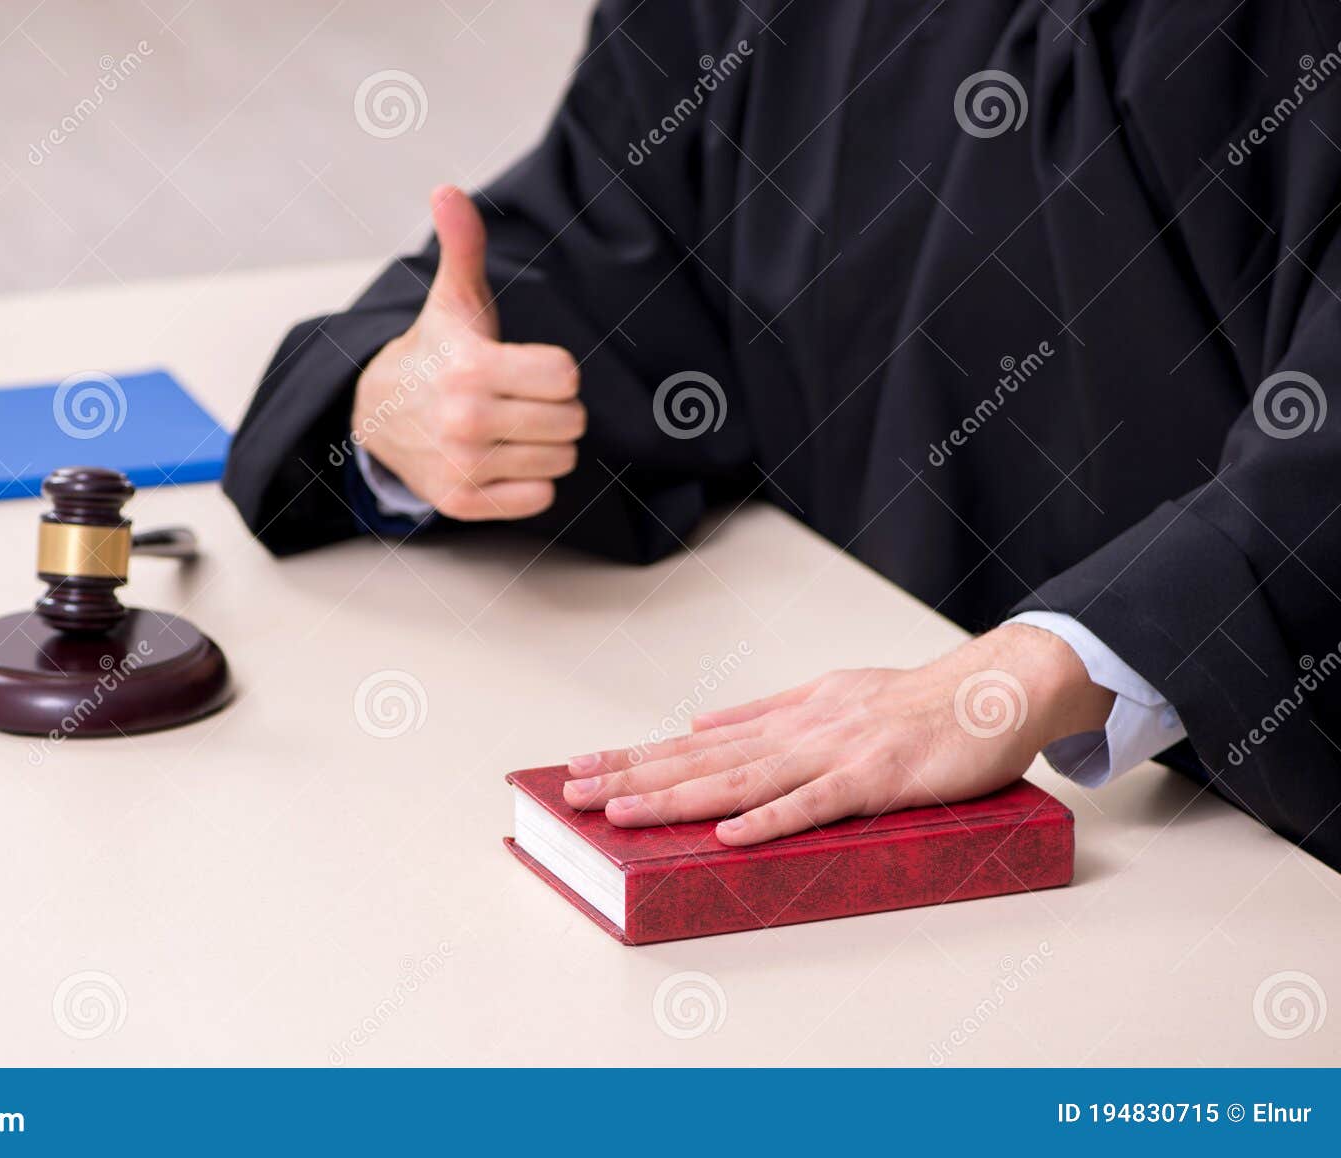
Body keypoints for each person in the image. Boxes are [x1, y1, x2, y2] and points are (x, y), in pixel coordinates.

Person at [224, 0, 1341, 870]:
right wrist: (405, 400)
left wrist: (1055, 665)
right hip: (837, 777)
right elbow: (609, 248)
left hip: (1208, 873)